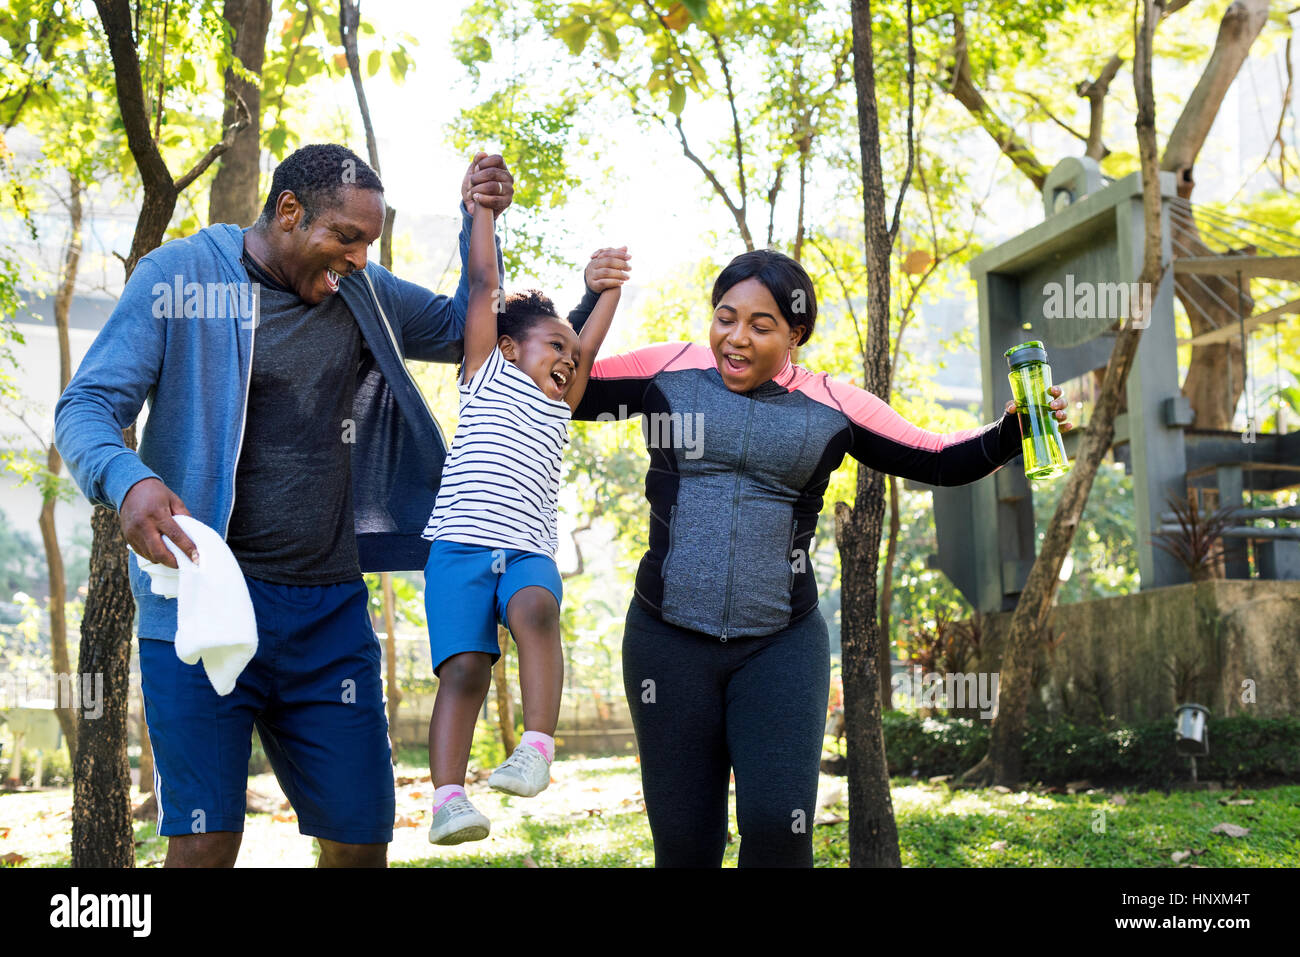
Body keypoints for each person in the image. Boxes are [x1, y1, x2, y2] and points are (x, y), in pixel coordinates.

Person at [52, 143, 610, 868]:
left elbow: (466, 324)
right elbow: (88, 405)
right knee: (202, 840)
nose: (357, 257)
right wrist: (127, 479)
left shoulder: (362, 288)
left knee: (358, 839)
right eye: (345, 238)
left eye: (368, 244)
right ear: (288, 212)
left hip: (327, 614)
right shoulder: (182, 276)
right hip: (203, 600)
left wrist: (482, 217)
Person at [567, 248, 1073, 867]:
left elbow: (935, 456)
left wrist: (1014, 429)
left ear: (795, 334)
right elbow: (569, 385)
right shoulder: (669, 370)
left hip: (779, 645)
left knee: (779, 828)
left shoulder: (831, 403)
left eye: (761, 326)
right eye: (725, 318)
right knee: (684, 842)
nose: (736, 338)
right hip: (666, 641)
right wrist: (593, 299)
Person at [420, 173, 626, 844]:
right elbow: (483, 286)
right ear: (511, 348)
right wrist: (483, 213)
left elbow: (590, 345)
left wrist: (611, 288)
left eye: (571, 351)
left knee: (538, 609)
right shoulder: (487, 369)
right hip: (459, 548)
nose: (569, 357)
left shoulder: (560, 403)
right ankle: (449, 798)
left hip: (529, 547)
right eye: (554, 346)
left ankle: (537, 747)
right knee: (466, 670)